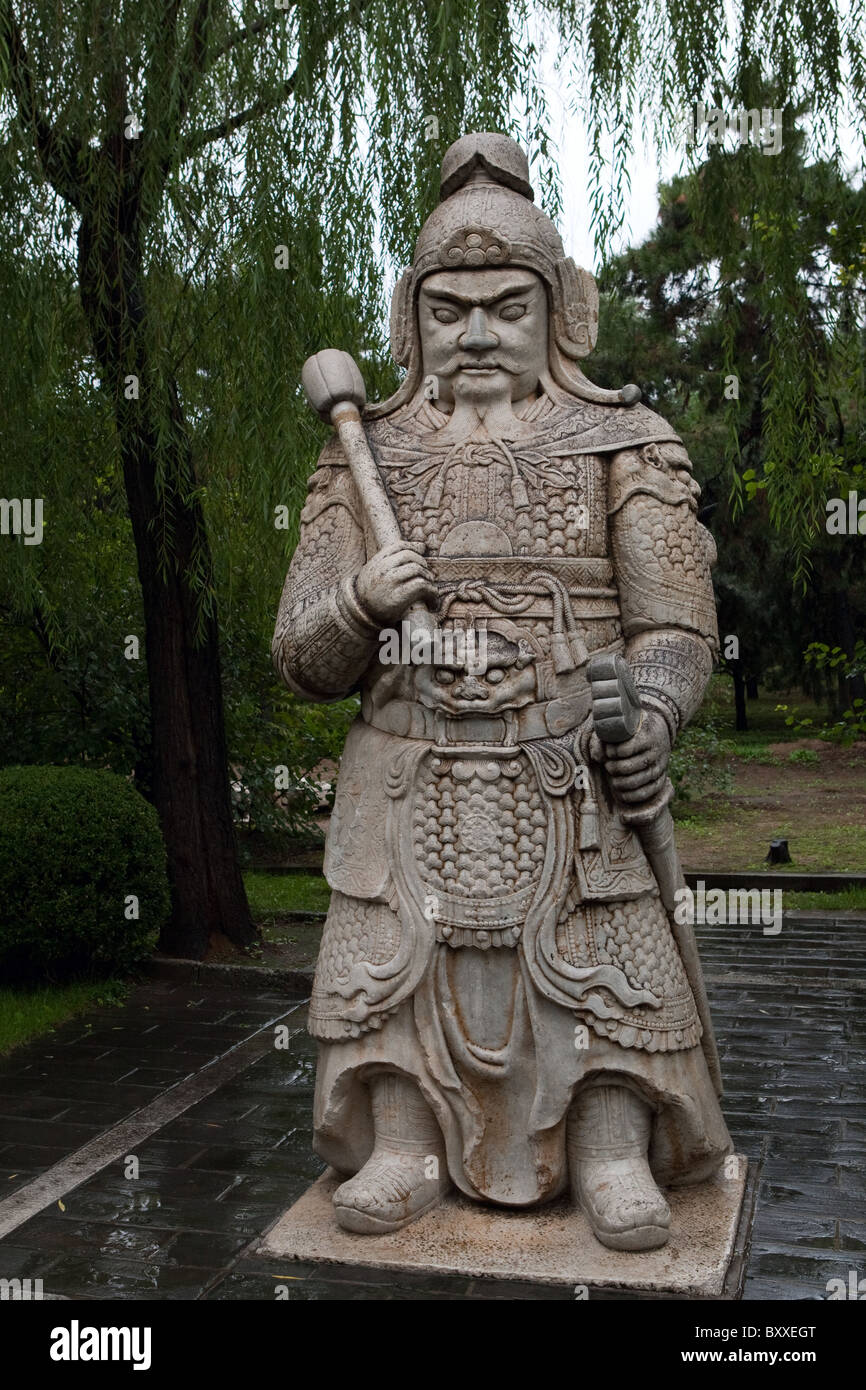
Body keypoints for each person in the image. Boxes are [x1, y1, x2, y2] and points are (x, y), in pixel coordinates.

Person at [272, 132, 732, 1251]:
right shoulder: (358, 456)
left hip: (566, 764)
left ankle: (607, 1149)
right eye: (449, 309)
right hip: (407, 763)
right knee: (393, 964)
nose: (474, 332)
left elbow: (677, 625)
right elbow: (298, 655)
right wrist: (361, 606)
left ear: (556, 312)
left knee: (607, 958)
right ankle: (402, 1142)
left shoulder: (625, 441)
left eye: (502, 306)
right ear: (408, 318)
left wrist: (655, 712)